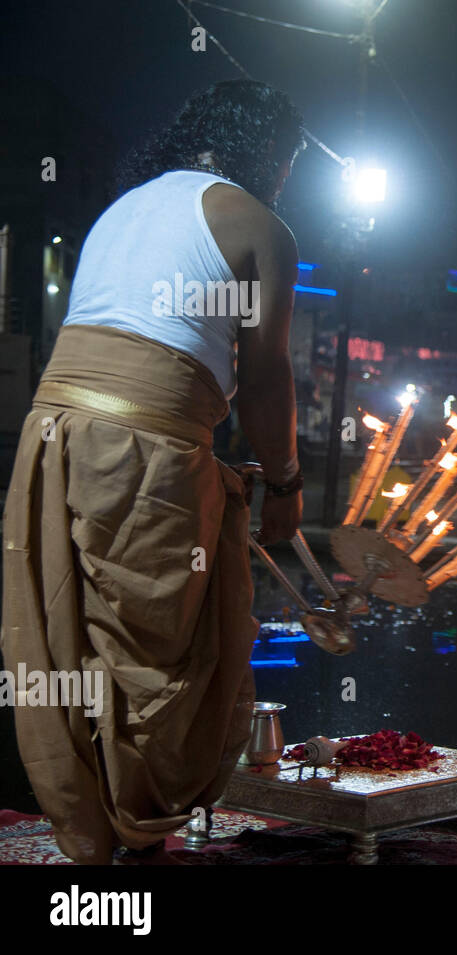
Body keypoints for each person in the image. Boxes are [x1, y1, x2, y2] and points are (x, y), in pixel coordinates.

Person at [1, 79, 305, 864]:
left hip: (51, 436)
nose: (285, 181)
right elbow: (267, 375)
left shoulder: (124, 207)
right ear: (268, 153)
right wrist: (287, 486)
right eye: (290, 163)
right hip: (141, 447)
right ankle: (135, 854)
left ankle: (93, 841)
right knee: (155, 662)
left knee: (71, 648)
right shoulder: (258, 223)